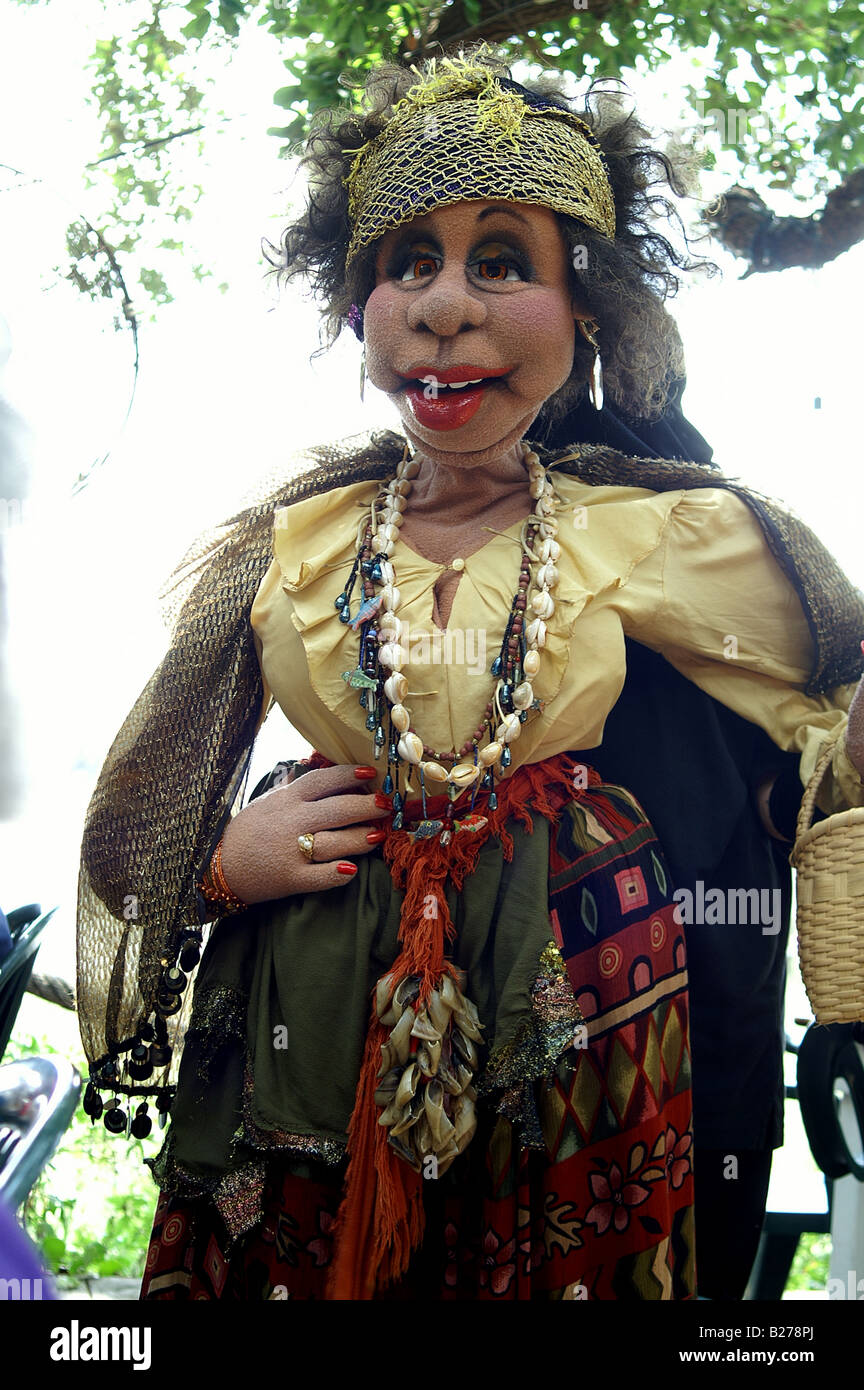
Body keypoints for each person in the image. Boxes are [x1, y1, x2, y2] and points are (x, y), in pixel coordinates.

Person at [76, 44, 864, 1301]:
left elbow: (838, 684)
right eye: (409, 264)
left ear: (589, 311)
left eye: (502, 262)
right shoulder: (288, 541)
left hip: (580, 999)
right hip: (311, 988)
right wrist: (224, 862)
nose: (447, 306)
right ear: (358, 307)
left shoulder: (649, 523)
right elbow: (134, 832)